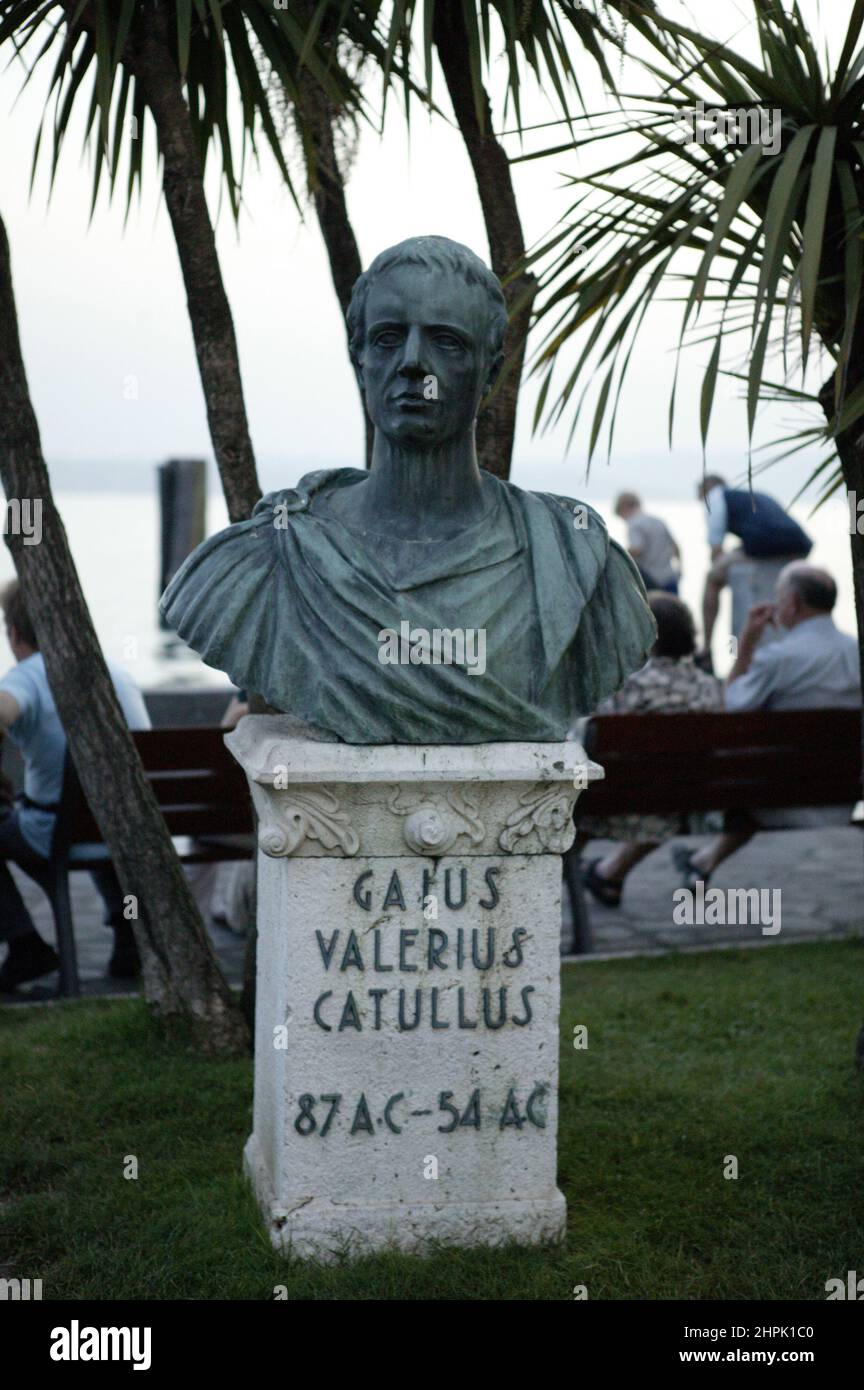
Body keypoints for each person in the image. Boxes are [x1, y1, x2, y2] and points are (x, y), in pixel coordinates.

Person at [161, 236, 655, 744]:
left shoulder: (576, 560)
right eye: (388, 339)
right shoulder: (265, 560)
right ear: (360, 362)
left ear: (489, 370)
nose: (413, 363)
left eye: (445, 341)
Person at [0, 580, 151, 991]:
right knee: (96, 815)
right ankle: (128, 939)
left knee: (49, 819)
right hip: (130, 830)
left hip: (57, 833)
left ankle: (24, 942)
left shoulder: (28, 676)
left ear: (14, 632)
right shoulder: (114, 670)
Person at [676, 562, 861, 886]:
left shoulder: (779, 658)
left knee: (749, 771)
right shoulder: (855, 652)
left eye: (778, 596)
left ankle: (691, 863)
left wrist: (746, 643)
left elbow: (730, 708)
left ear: (791, 603)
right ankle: (702, 862)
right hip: (843, 797)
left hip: (779, 797)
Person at [574, 592, 722, 905]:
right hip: (678, 804)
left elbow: (584, 739)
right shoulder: (708, 686)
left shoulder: (630, 684)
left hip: (610, 804)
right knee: (656, 797)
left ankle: (563, 877)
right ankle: (607, 876)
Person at [698, 474, 812, 658]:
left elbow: (716, 548)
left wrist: (721, 572)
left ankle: (706, 647)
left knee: (712, 579)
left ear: (704, 490)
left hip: (764, 547)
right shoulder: (751, 495)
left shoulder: (714, 499)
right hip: (799, 546)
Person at [614, 492, 681, 594]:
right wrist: (680, 570)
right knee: (673, 608)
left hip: (651, 582)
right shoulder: (658, 521)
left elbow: (637, 549)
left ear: (624, 507)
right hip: (670, 578)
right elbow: (676, 548)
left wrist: (616, 553)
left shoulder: (634, 524)